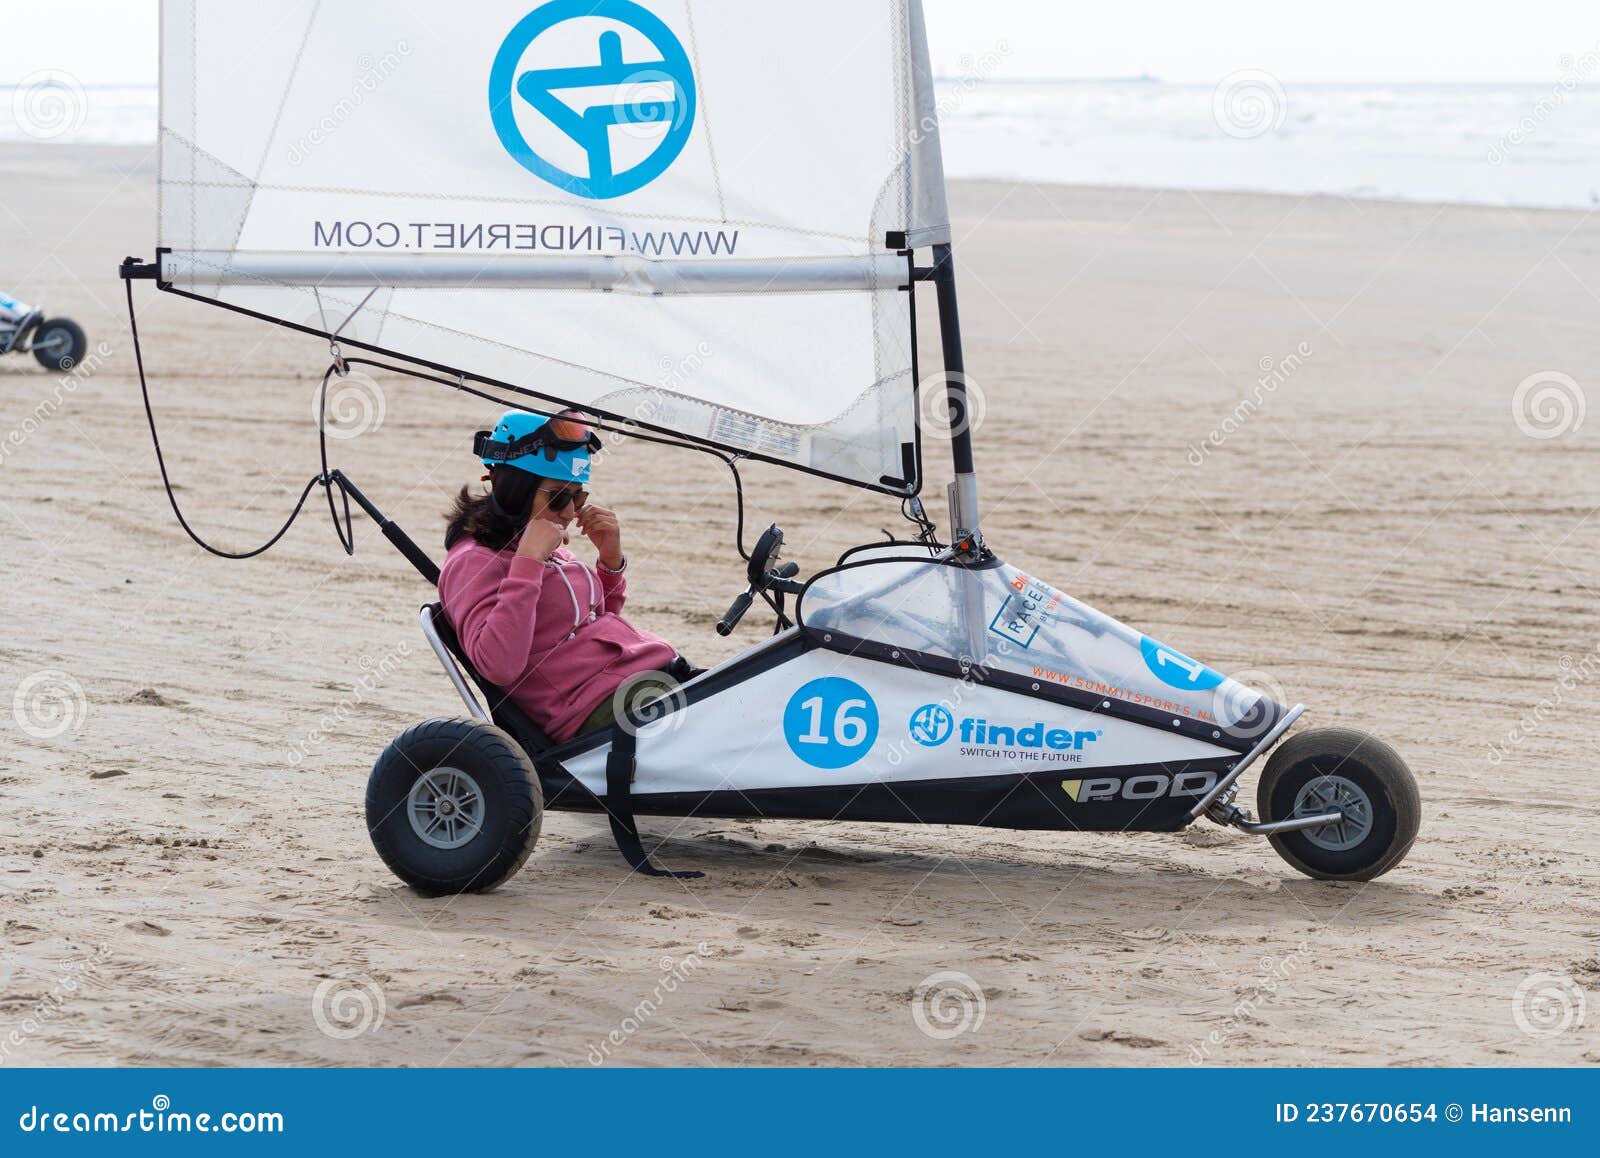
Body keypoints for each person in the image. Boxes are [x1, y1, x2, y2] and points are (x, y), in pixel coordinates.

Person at [438, 409, 696, 741]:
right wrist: (528, 562)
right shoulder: (473, 562)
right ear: (517, 491)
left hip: (646, 675)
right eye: (559, 497)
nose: (572, 513)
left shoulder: (537, 543)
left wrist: (610, 562)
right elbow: (499, 665)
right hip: (603, 707)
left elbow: (593, 623)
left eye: (578, 497)